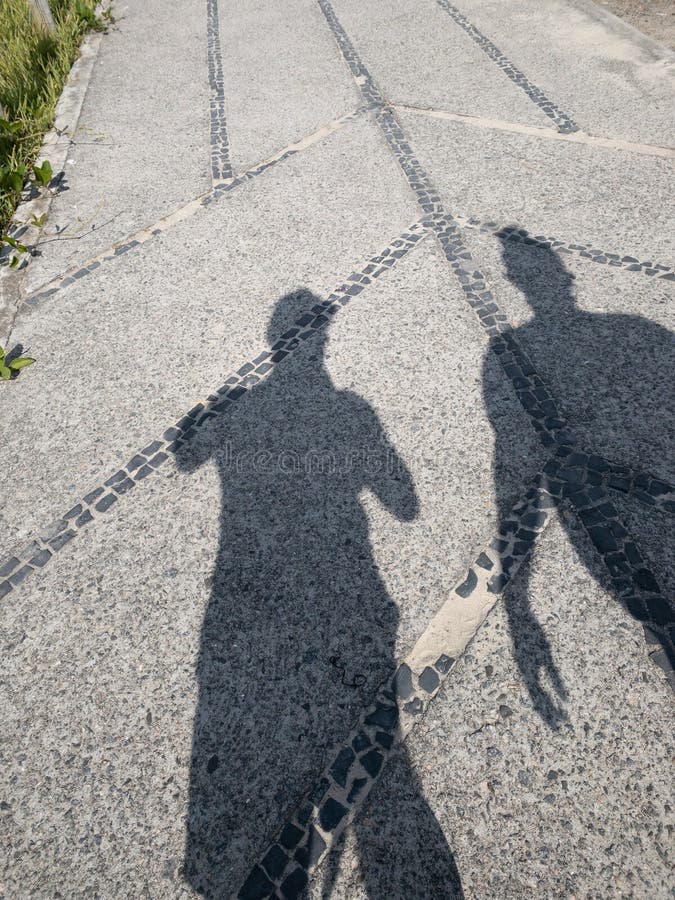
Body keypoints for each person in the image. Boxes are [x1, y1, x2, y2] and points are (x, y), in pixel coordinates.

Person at [177, 290, 462, 897]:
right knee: (386, 772)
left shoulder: (243, 406)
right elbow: (405, 506)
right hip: (356, 593)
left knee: (240, 720)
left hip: (237, 601)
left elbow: (184, 455)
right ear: (318, 340)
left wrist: (209, 417)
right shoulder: (351, 409)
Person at [485, 233, 674, 726]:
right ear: (568, 275)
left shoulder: (498, 354)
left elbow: (503, 458)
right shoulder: (644, 329)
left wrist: (518, 610)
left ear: (512, 280)